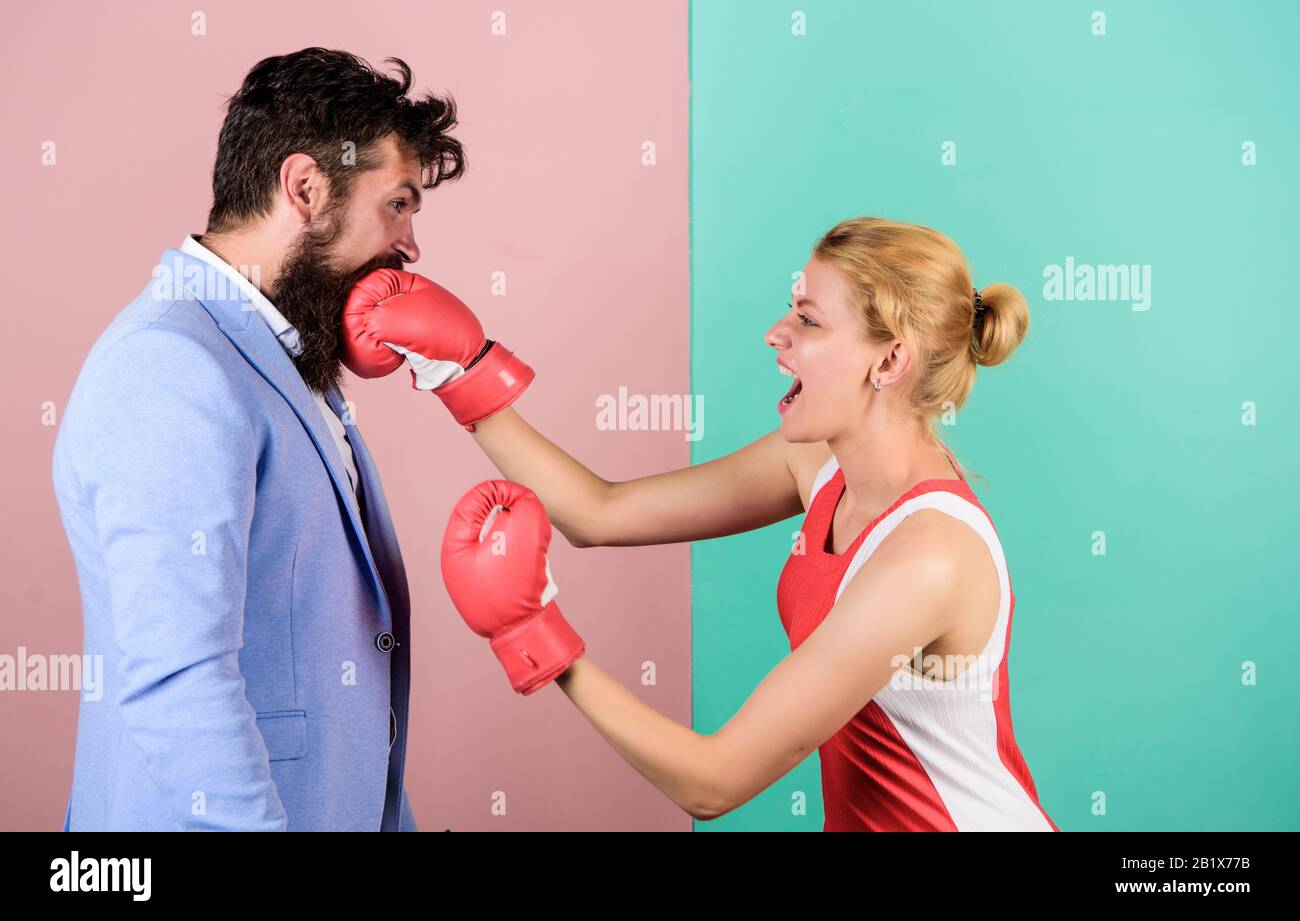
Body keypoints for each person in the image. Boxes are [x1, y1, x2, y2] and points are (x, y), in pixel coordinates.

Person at [344, 215, 1059, 830]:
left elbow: (715, 780)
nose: (776, 334)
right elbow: (600, 512)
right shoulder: (815, 466)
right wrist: (460, 372)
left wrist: (534, 635)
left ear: (890, 360)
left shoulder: (928, 554)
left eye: (809, 320)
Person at [49, 48, 499, 830]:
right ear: (304, 187)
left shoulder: (287, 359)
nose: (411, 247)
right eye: (397, 204)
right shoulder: (172, 367)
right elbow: (179, 682)